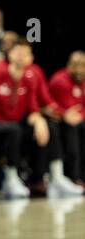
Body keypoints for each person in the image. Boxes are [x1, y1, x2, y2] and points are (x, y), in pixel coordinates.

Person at [0, 40, 82, 199]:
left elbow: (34, 108)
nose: (22, 58)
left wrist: (39, 121)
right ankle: (11, 179)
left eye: (26, 54)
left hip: (14, 124)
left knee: (48, 127)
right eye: (19, 53)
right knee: (15, 130)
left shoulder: (30, 75)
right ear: (10, 54)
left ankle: (55, 177)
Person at [48, 51, 85, 185]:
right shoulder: (59, 81)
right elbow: (64, 110)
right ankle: (74, 177)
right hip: (59, 121)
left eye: (83, 66)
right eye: (75, 65)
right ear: (68, 65)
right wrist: (65, 114)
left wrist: (80, 115)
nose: (79, 70)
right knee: (72, 129)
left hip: (77, 119)